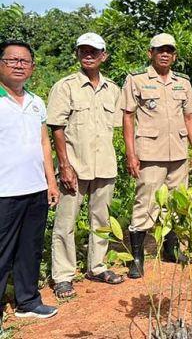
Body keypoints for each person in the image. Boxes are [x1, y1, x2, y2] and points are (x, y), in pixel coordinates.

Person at [47, 33, 124, 300]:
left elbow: (116, 126)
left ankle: (97, 266)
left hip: (105, 165)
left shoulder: (113, 89)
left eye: (94, 51)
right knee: (65, 222)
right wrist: (65, 165)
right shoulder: (65, 87)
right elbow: (56, 127)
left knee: (101, 220)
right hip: (75, 166)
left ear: (104, 55)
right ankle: (63, 275)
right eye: (83, 50)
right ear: (77, 54)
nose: (88, 55)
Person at [121, 33, 192, 278]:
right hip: (150, 153)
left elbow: (189, 117)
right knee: (146, 203)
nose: (164, 54)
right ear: (150, 53)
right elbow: (128, 117)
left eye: (169, 50)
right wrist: (131, 154)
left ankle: (171, 249)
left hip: (178, 153)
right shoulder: (136, 79)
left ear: (174, 56)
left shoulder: (182, 82)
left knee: (176, 203)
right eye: (160, 50)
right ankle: (137, 259)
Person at [0, 40, 59, 320]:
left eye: (24, 61)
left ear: (33, 67)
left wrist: (51, 181)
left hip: (35, 188)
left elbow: (44, 143)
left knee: (30, 249)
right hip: (4, 191)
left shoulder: (37, 102)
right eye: (12, 60)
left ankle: (28, 301)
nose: (19, 65)